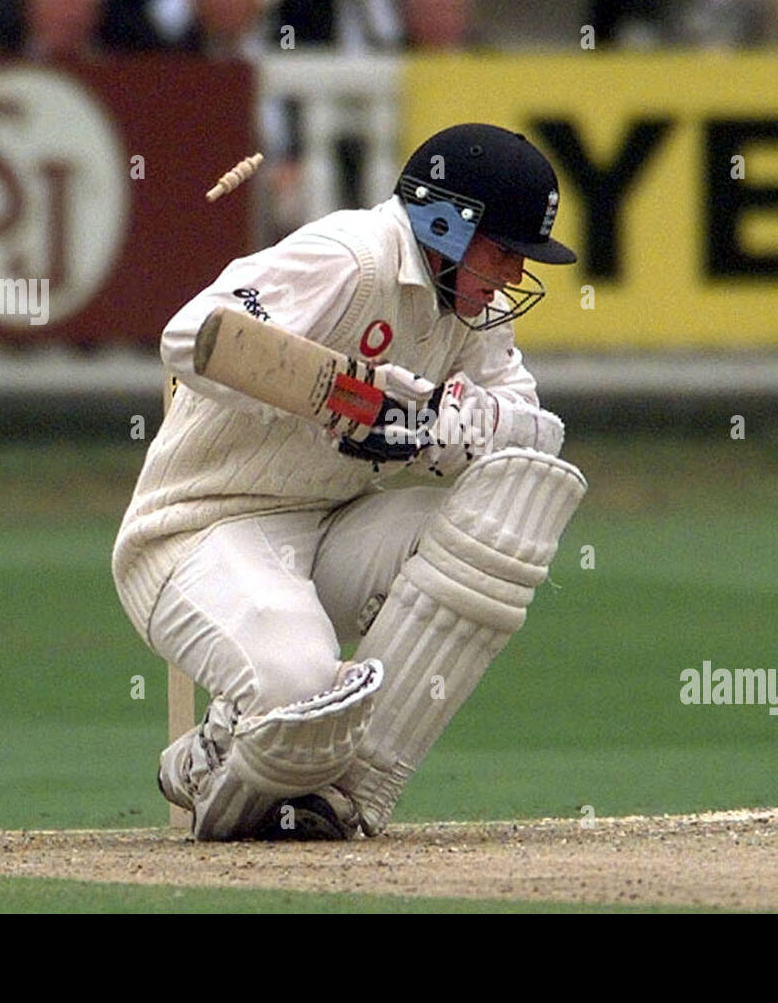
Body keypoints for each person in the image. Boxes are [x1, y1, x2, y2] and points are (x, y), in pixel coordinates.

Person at [112, 123, 587, 841]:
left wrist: (438, 424)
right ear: (444, 222)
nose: (513, 278)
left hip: (331, 533)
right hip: (196, 534)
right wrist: (346, 396)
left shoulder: (469, 307)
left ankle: (342, 788)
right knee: (303, 692)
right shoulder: (352, 257)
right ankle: (226, 759)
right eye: (505, 252)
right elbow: (193, 334)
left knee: (522, 498)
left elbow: (534, 430)